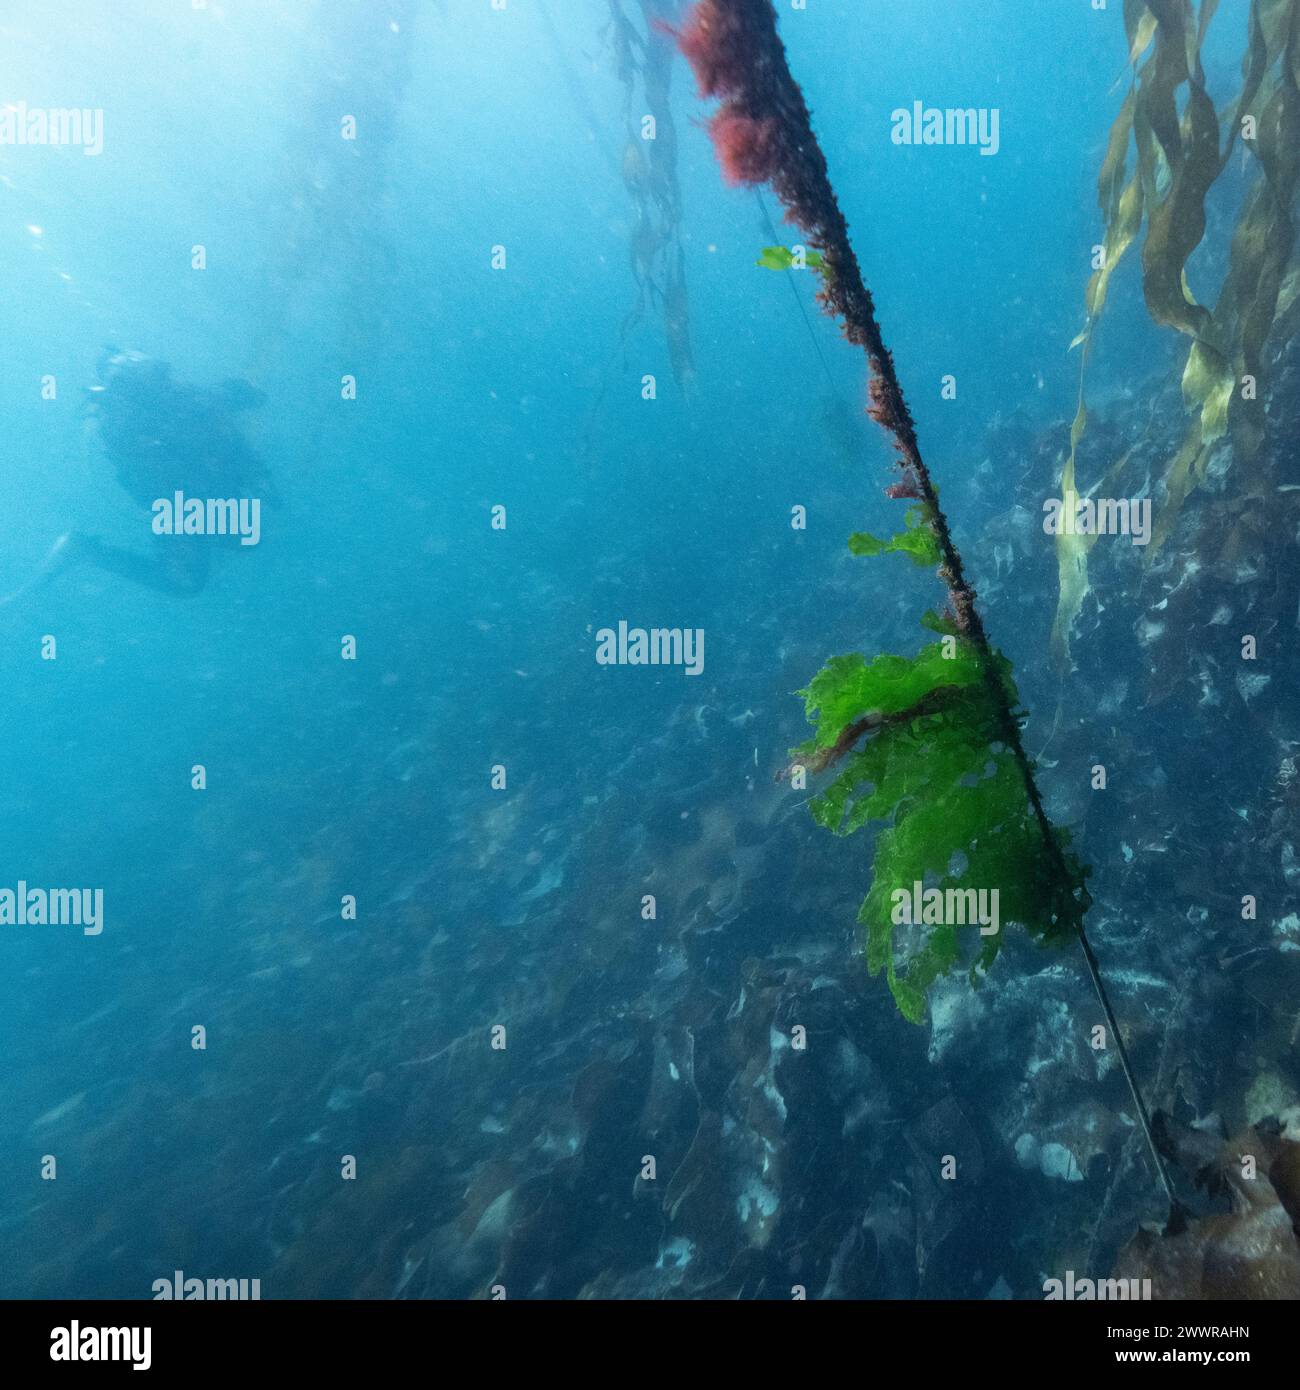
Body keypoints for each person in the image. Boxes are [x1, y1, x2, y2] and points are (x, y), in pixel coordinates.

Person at [3, 349, 277, 602]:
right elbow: (219, 406)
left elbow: (212, 415)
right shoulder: (181, 401)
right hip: (184, 497)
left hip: (179, 497)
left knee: (221, 554)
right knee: (192, 576)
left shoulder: (153, 411)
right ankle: (85, 550)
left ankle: (85, 551)